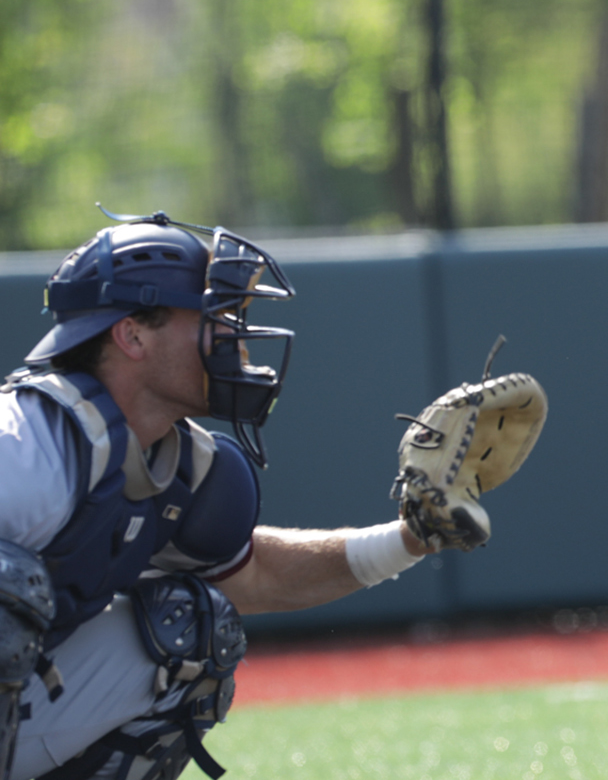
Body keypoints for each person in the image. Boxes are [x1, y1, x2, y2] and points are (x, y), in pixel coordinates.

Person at [1, 213, 443, 780]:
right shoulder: (34, 441)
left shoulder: (182, 464)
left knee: (191, 631)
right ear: (132, 334)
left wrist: (410, 537)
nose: (233, 333)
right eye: (214, 315)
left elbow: (256, 577)